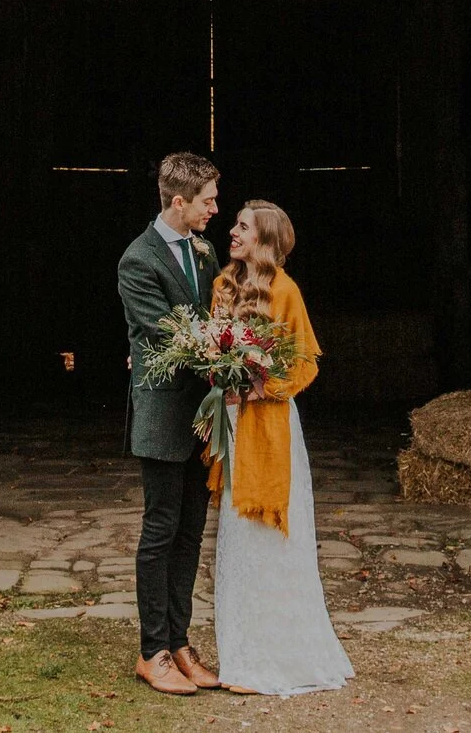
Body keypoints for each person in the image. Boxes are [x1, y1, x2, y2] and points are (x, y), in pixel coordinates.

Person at [207, 200, 353, 697]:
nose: (232, 230)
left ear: (264, 239)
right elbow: (211, 347)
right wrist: (220, 377)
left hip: (269, 425)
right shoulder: (223, 288)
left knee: (268, 540)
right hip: (232, 423)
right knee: (236, 538)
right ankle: (240, 657)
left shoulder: (286, 291)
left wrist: (261, 387)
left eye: (242, 226)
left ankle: (274, 659)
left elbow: (305, 361)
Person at [115, 151, 222, 697]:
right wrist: (231, 353)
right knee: (160, 530)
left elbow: (214, 315)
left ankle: (180, 644)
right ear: (178, 202)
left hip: (202, 415)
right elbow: (164, 334)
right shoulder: (138, 260)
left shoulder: (202, 253)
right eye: (207, 201)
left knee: (191, 530)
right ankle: (151, 650)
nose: (215, 210)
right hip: (162, 413)